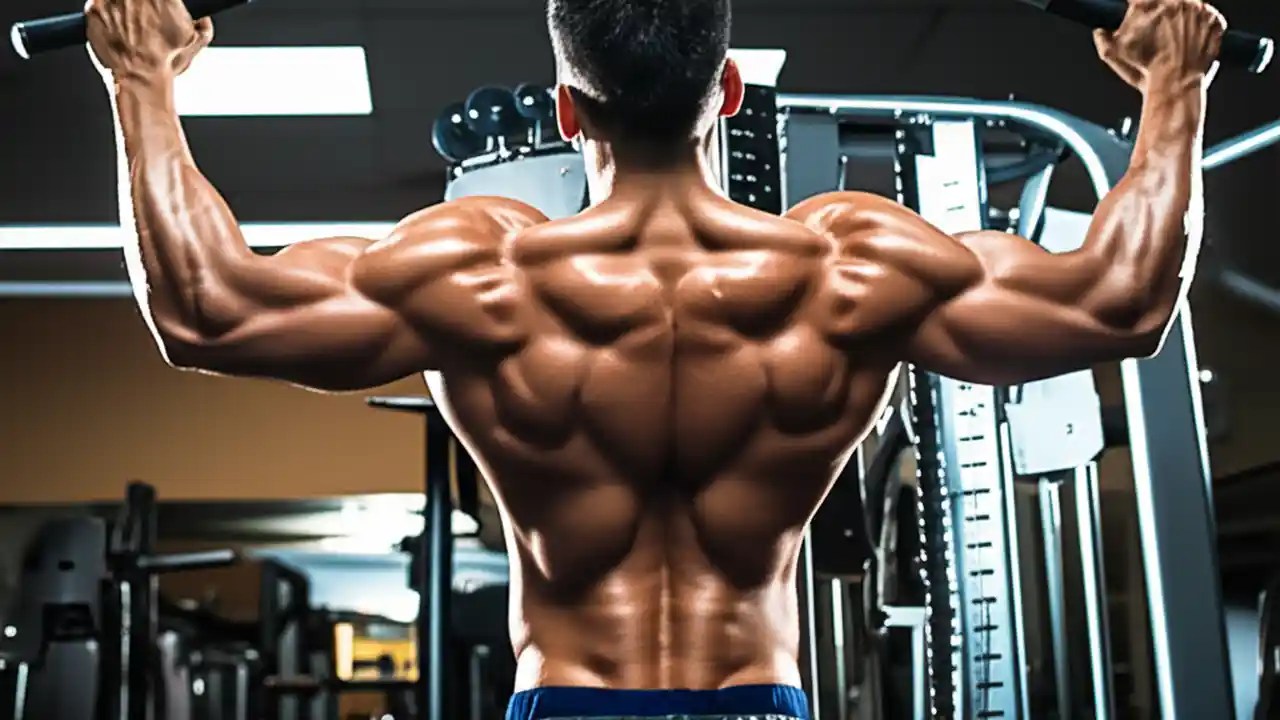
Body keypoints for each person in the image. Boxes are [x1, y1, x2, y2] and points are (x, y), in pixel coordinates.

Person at [83, 0, 1224, 716]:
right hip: (755, 695)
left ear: (569, 113)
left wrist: (142, 80)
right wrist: (1174, 85)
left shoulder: (484, 275)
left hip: (570, 698)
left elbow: (205, 309)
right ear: (728, 90)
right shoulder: (845, 268)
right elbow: (1122, 302)